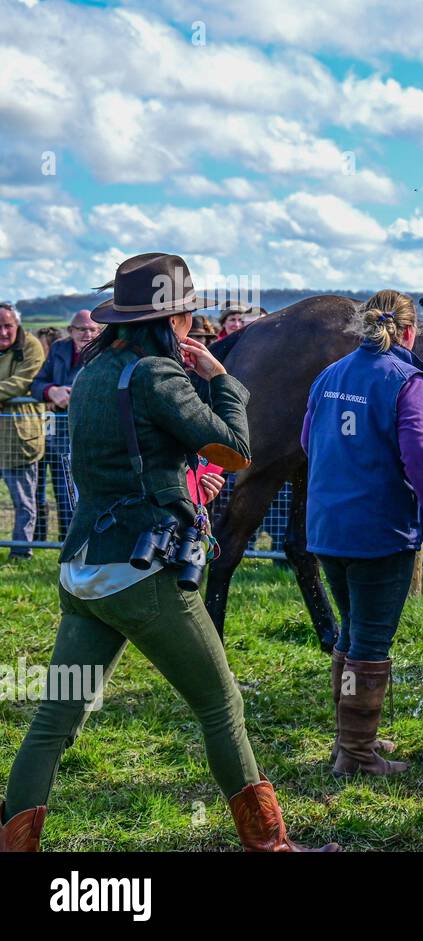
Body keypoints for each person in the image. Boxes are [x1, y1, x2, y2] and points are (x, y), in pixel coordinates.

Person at [0, 253, 338, 853]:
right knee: (221, 705)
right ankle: (271, 845)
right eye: (186, 314)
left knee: (54, 721)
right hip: (143, 574)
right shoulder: (158, 376)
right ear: (172, 320)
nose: (190, 323)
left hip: (83, 570)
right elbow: (234, 450)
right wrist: (221, 378)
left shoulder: (93, 371)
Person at [303, 289, 423, 777]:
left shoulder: (330, 374)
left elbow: (308, 440)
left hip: (328, 526)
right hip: (380, 529)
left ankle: (351, 737)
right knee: (370, 641)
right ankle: (356, 754)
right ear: (410, 331)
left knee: (352, 632)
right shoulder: (406, 380)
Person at [31, 309, 100, 543]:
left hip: (88, 433)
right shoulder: (59, 349)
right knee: (59, 491)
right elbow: (37, 383)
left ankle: (77, 542)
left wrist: (70, 393)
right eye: (82, 329)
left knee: (77, 493)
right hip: (56, 432)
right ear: (70, 331)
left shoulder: (105, 352)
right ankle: (62, 543)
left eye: (92, 329)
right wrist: (51, 391)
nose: (87, 334)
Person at [0, 302, 46, 560]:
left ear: (17, 324)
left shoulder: (31, 346)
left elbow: (22, 382)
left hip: (19, 439)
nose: (3, 332)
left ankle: (20, 554)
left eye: (8, 325)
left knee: (23, 503)